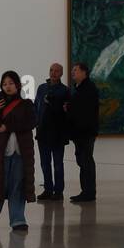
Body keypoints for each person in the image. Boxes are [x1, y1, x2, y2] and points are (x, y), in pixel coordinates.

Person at [0, 70, 37, 232]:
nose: (8, 87)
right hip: (1, 152)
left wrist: (8, 126)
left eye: (11, 83)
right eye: (4, 84)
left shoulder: (26, 104)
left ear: (18, 85)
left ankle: (18, 220)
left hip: (21, 153)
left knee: (17, 186)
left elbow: (31, 122)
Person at [34, 62, 70, 201]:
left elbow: (66, 112)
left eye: (56, 71)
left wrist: (53, 104)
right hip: (42, 131)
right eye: (51, 70)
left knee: (58, 164)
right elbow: (36, 106)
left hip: (57, 132)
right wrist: (36, 122)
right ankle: (48, 189)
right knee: (44, 163)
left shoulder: (65, 90)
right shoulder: (42, 88)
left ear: (61, 73)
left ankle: (58, 191)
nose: (53, 73)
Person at [66, 61, 99, 203]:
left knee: (86, 162)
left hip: (85, 132)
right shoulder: (80, 89)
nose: (73, 72)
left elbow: (85, 111)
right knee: (83, 162)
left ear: (84, 72)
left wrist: (70, 108)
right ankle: (86, 191)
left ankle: (88, 192)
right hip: (80, 132)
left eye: (76, 70)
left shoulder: (89, 89)